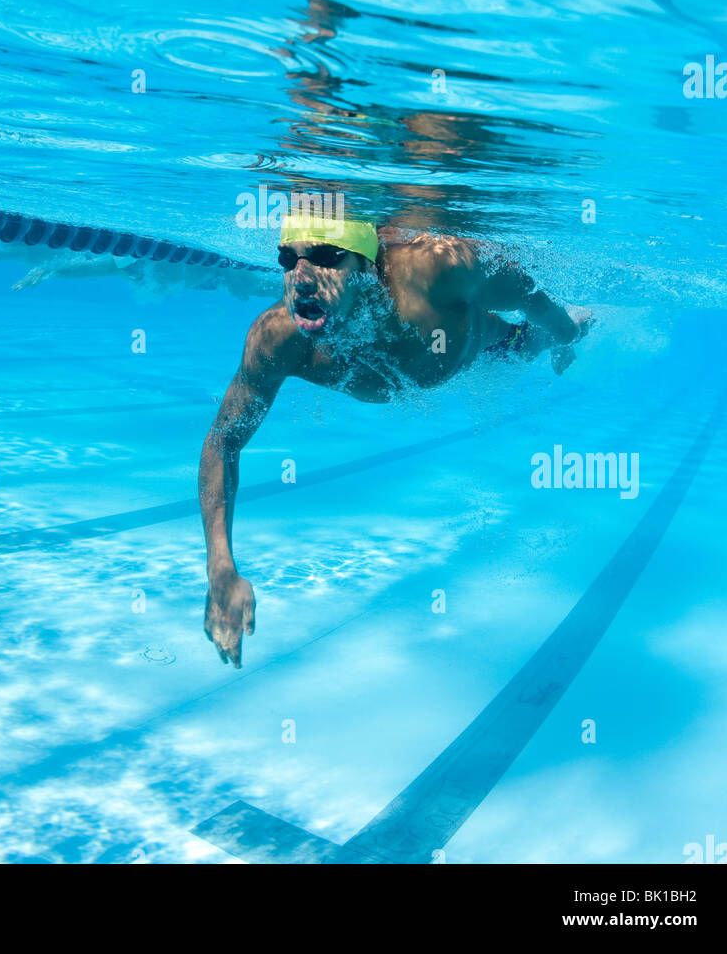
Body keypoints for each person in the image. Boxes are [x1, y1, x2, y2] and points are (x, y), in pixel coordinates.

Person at [200, 213, 591, 666]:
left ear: (366, 266)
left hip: (479, 341)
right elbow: (222, 441)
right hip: (420, 364)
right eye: (289, 260)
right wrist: (220, 569)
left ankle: (578, 327)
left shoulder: (437, 270)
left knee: (524, 345)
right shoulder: (276, 338)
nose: (302, 279)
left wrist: (566, 336)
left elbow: (527, 293)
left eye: (327, 258)